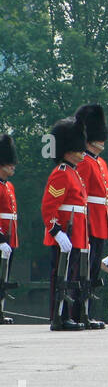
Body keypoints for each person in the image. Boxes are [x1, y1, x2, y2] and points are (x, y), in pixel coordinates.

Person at [43, 118, 89, 331]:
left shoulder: (73, 172)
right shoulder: (61, 173)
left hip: (76, 233)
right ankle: (58, 316)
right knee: (60, 275)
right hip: (64, 233)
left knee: (70, 276)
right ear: (68, 150)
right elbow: (49, 207)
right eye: (78, 149)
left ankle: (67, 314)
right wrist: (56, 232)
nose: (82, 152)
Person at [73, 104, 108, 329]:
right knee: (83, 270)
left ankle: (86, 312)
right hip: (88, 222)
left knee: (93, 270)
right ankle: (78, 313)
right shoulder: (84, 162)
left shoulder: (100, 163)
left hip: (99, 221)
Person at [0, 134, 19, 326]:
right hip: (1, 237)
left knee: (3, 277)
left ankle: (1, 310)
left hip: (10, 237)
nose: (13, 165)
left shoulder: (9, 186)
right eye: (9, 162)